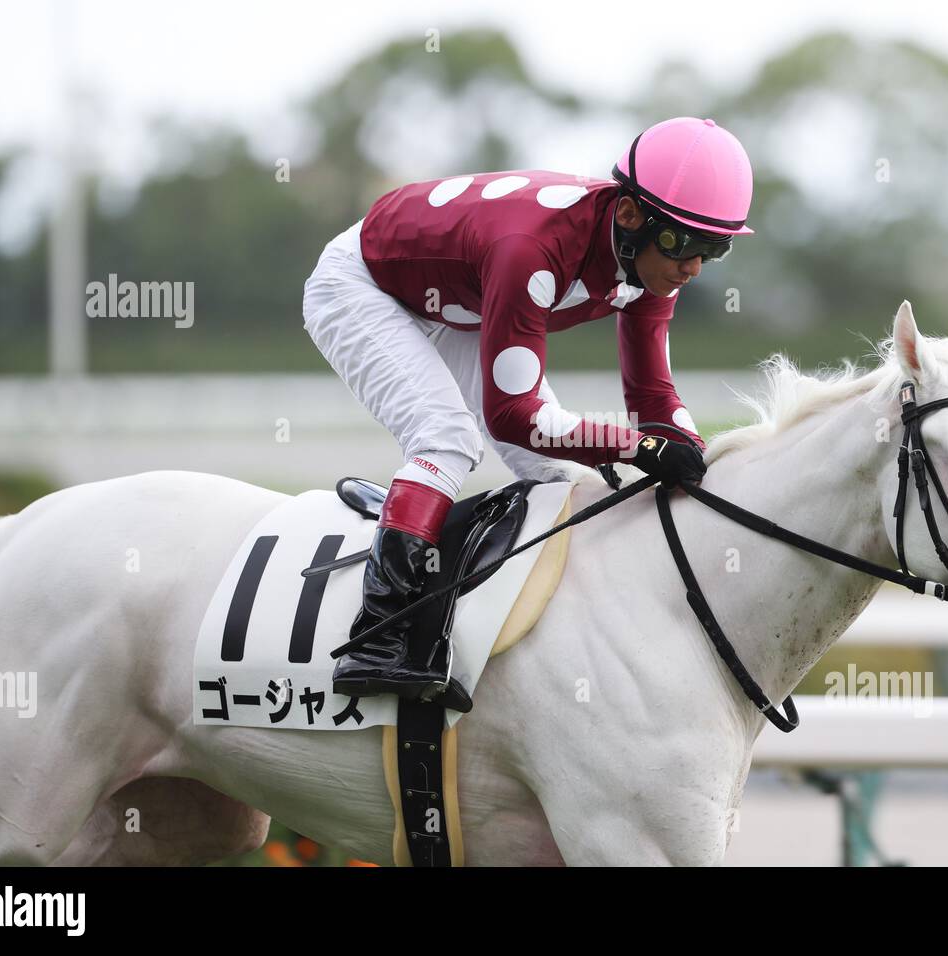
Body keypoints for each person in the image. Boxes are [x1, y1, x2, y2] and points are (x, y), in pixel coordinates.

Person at [302, 116, 754, 711]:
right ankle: (378, 633)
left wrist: (696, 460)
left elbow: (653, 398)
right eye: (681, 244)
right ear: (627, 215)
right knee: (445, 439)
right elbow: (516, 415)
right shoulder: (535, 249)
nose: (692, 267)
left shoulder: (654, 262)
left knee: (559, 478)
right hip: (364, 286)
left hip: (460, 297)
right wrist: (638, 449)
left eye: (712, 249)